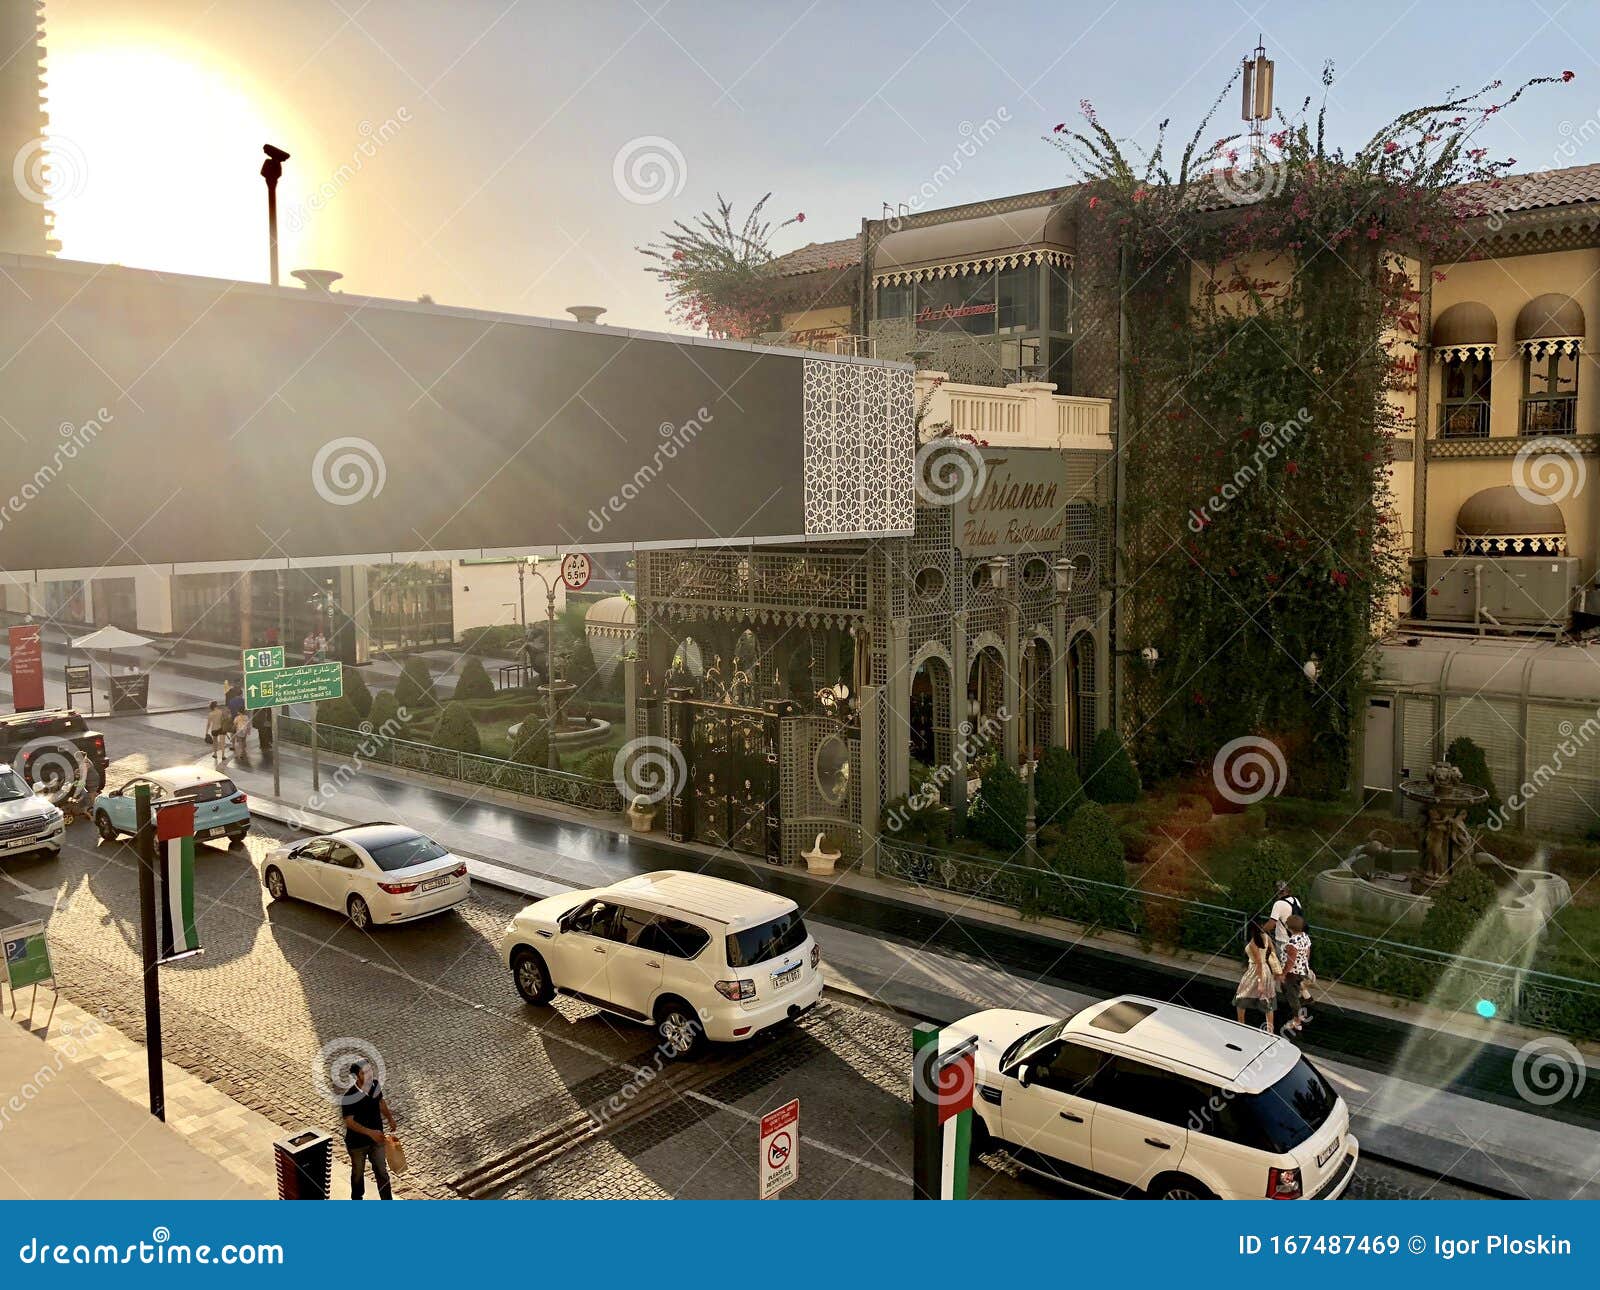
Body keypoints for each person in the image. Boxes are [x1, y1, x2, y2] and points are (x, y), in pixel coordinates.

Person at [342, 1061, 397, 1200]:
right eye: (364, 1073)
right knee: (358, 1174)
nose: (369, 1075)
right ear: (357, 1076)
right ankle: (357, 1199)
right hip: (357, 1144)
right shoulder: (349, 1096)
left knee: (382, 1172)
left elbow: (380, 1102)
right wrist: (370, 1133)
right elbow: (349, 1122)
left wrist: (390, 1118)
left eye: (370, 1071)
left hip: (377, 1141)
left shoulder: (375, 1085)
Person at [1234, 917, 1279, 1034]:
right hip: (1266, 970)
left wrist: (1260, 982)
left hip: (1255, 971)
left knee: (1241, 997)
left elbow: (1258, 963)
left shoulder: (1253, 943)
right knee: (1267, 1000)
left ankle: (1241, 1024)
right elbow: (1272, 952)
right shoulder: (1266, 937)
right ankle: (1270, 1031)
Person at [1280, 914, 1314, 1037]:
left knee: (1292, 997)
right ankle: (1305, 1000)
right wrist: (1305, 966)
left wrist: (1283, 974)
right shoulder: (1305, 937)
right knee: (1290, 991)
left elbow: (1290, 961)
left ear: (1289, 927)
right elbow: (1307, 953)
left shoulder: (1292, 942)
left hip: (1292, 973)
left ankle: (1297, 1021)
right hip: (1301, 970)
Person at [1267, 880, 1302, 960]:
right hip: (1296, 939)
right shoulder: (1296, 900)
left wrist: (1261, 930)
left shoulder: (1278, 904)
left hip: (1282, 939)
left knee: (1281, 965)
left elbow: (1271, 923)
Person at [205, 701, 231, 767]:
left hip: (214, 729)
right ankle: (223, 755)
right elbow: (225, 719)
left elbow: (208, 724)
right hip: (221, 728)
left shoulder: (210, 714)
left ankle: (215, 754)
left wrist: (206, 732)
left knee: (215, 742)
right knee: (222, 742)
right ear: (216, 706)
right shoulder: (221, 712)